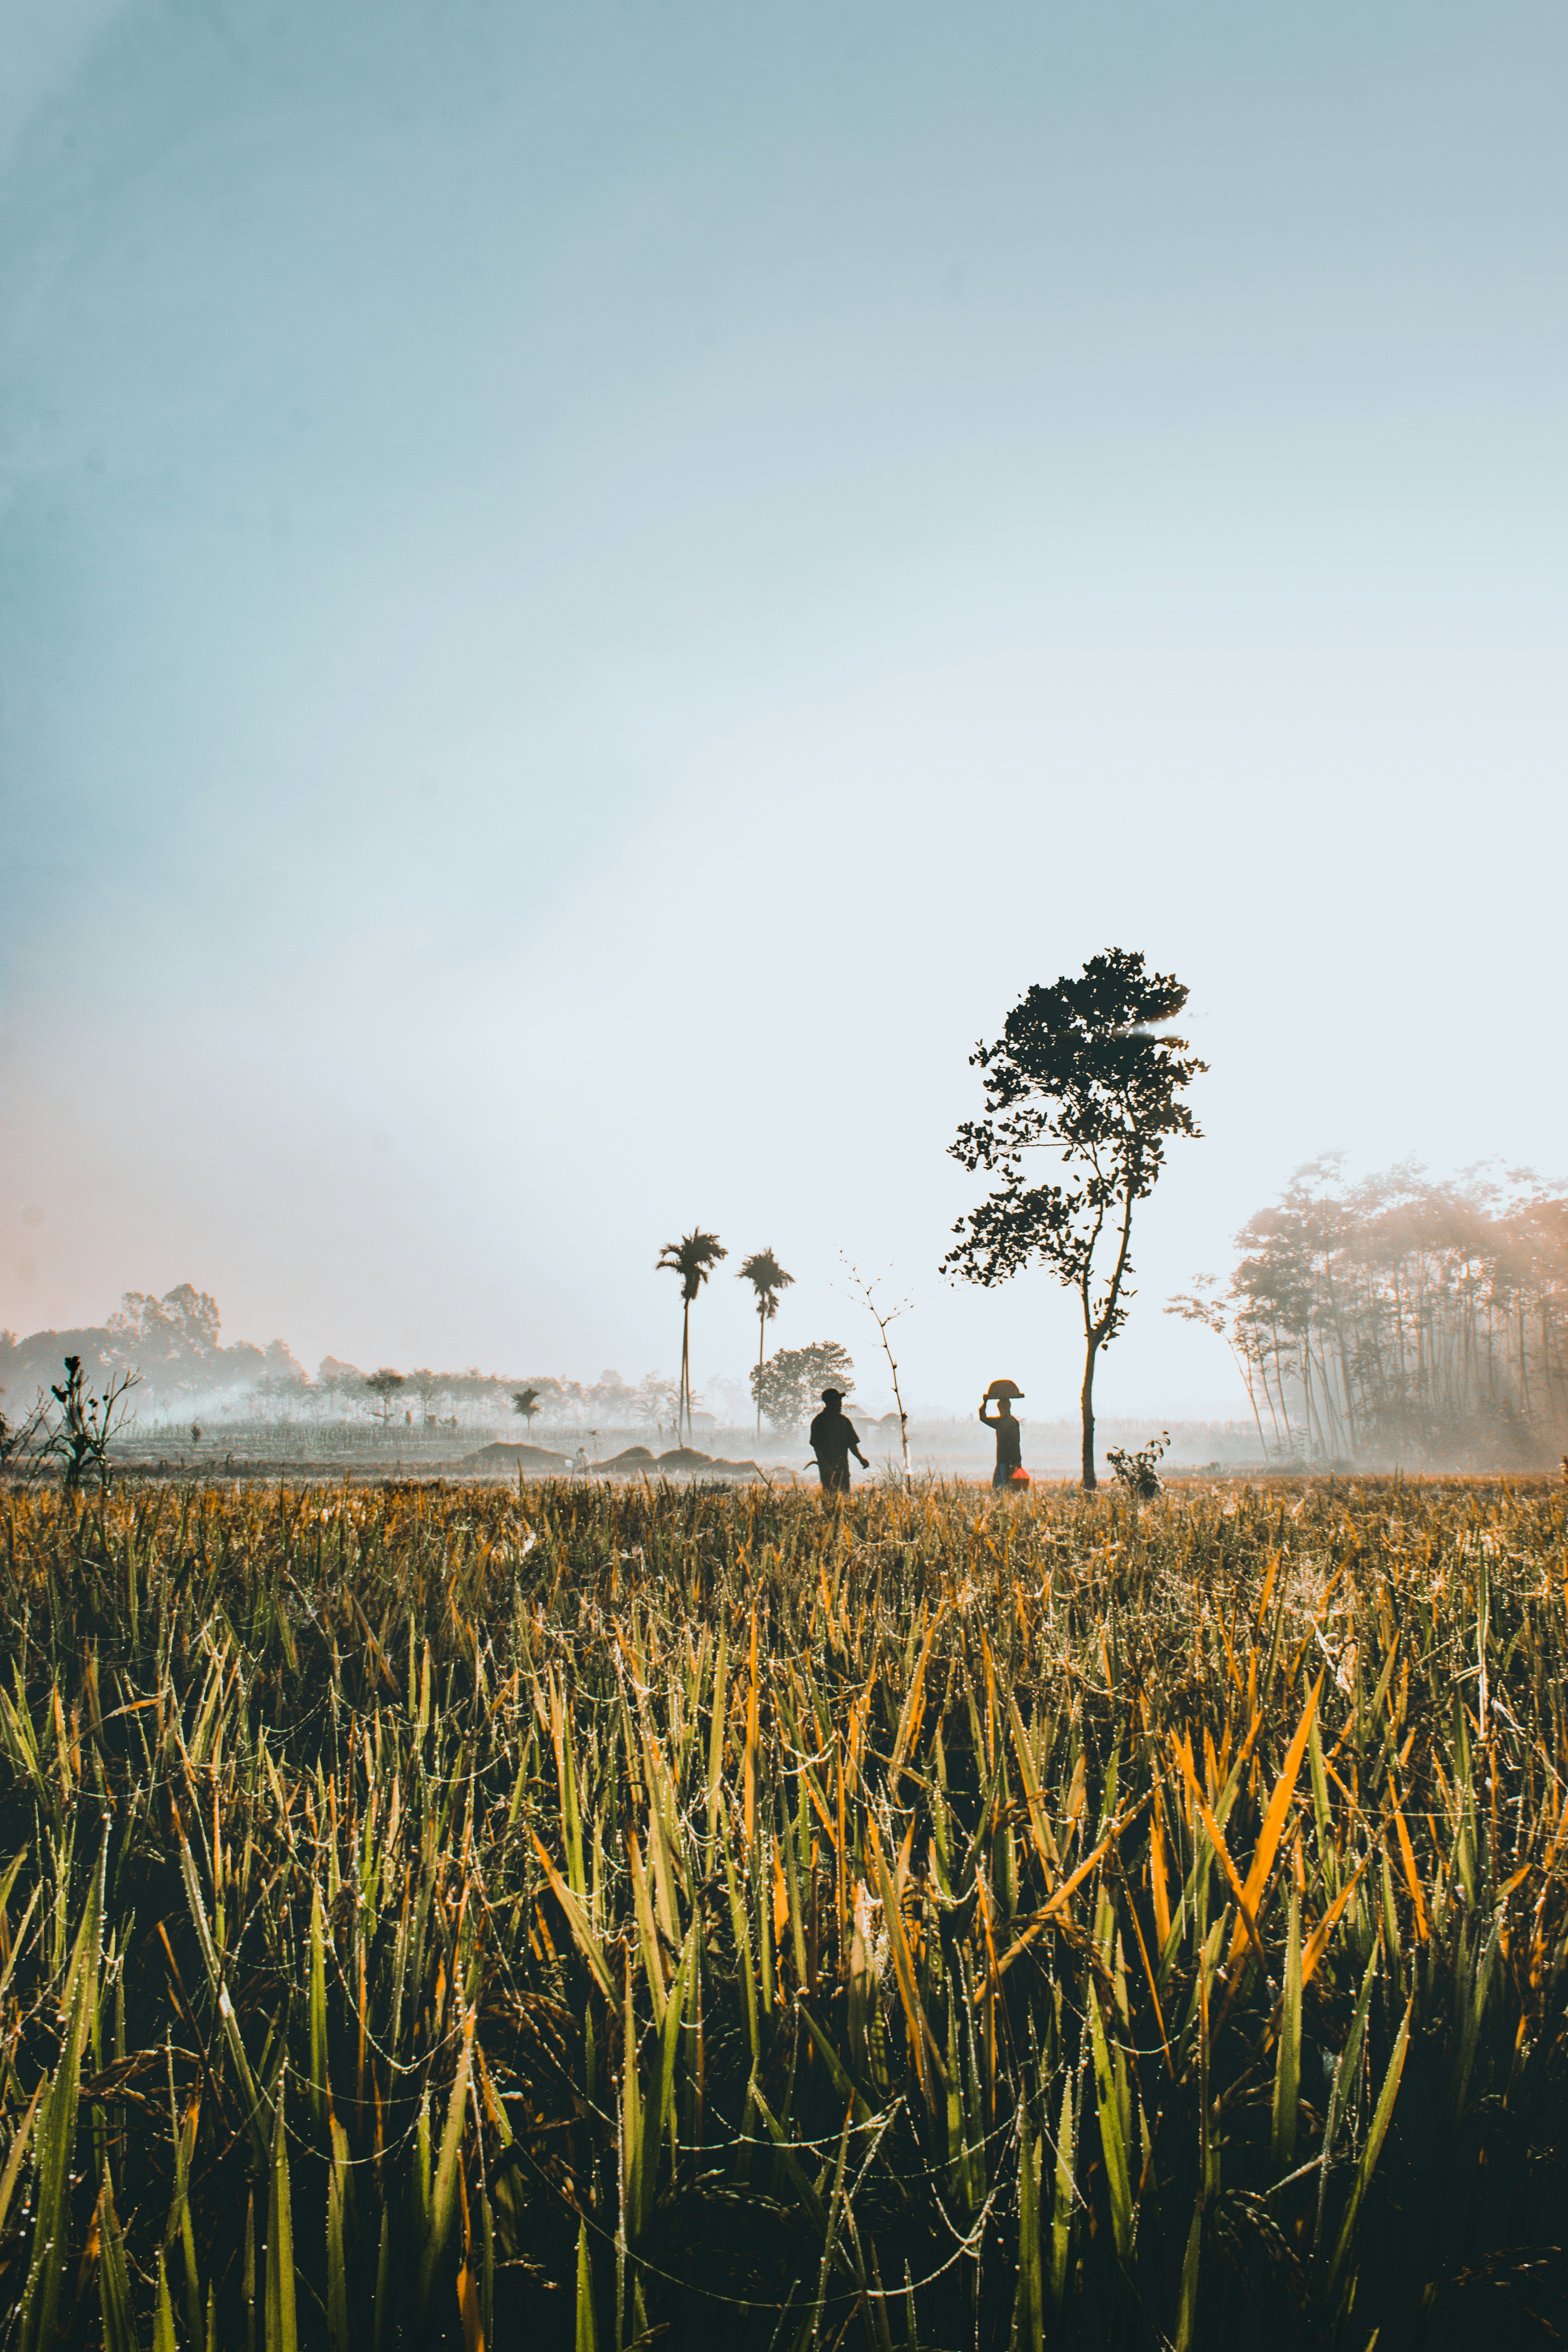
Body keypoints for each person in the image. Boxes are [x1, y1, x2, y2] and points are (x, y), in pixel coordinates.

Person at [808, 1387, 868, 1496]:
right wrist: (825, 1465)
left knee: (845, 1497)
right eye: (837, 1401)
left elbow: (852, 1445)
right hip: (827, 1469)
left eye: (840, 1401)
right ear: (829, 1403)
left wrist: (861, 1459)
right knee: (830, 1497)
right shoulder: (819, 1422)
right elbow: (817, 1447)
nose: (840, 1404)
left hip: (843, 1469)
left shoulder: (844, 1421)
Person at [980, 1379, 1024, 1490]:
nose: (1001, 1410)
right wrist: (985, 1403)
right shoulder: (1002, 1422)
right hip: (1001, 1461)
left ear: (1007, 1408)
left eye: (1003, 1407)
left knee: (1004, 1487)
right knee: (999, 1487)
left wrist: (1017, 1461)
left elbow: (1016, 1443)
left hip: (1008, 1461)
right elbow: (983, 1418)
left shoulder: (1010, 1423)